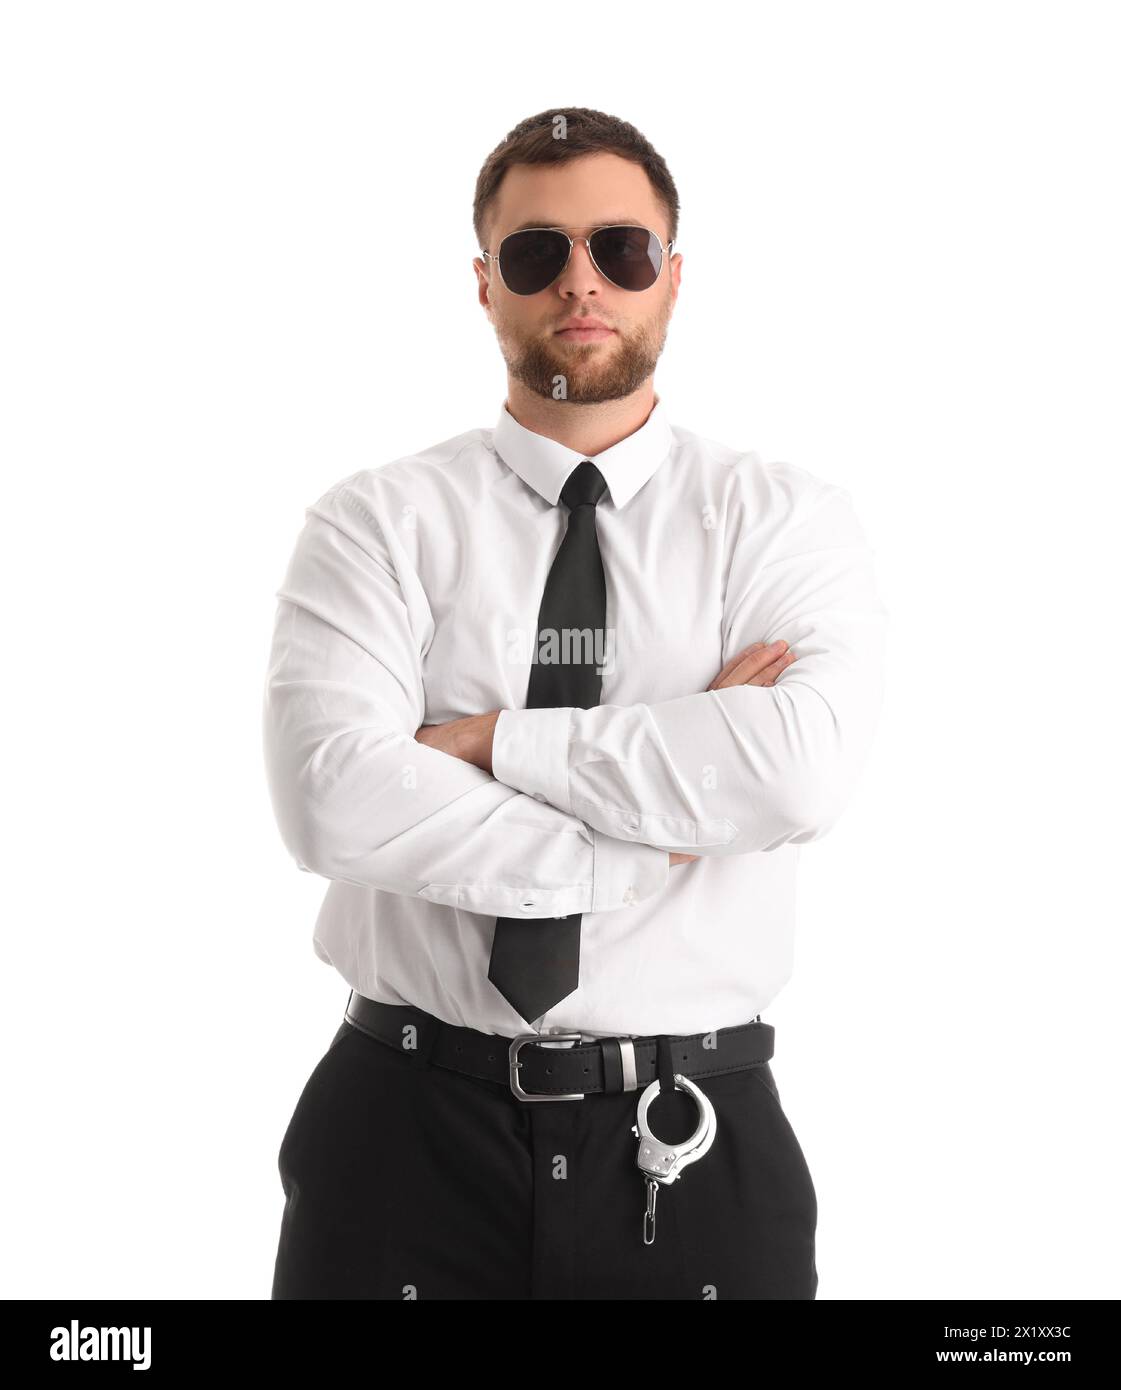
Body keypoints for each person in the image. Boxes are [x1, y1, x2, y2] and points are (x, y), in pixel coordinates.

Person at [262, 106, 887, 1300]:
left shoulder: (780, 521)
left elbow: (795, 771)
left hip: (690, 1133)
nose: (581, 282)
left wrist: (495, 744)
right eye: (538, 253)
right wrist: (657, 825)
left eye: (621, 248)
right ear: (485, 284)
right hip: (401, 1129)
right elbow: (331, 801)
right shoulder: (375, 524)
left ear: (673, 275)